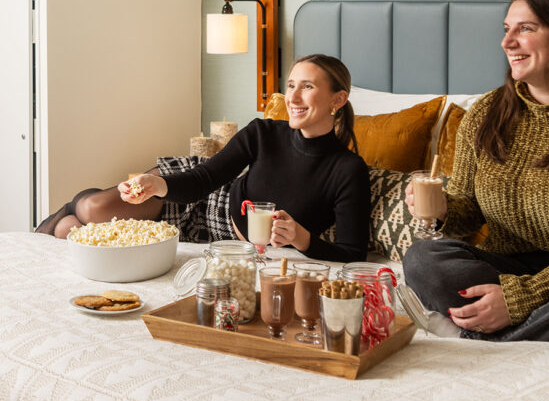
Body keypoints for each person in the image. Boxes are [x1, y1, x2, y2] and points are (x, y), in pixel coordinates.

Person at [37, 54, 371, 263]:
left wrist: (302, 238)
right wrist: (156, 183)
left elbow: (353, 254)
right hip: (200, 193)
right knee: (92, 209)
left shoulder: (347, 170)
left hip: (217, 235)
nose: (292, 97)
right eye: (291, 85)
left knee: (70, 231)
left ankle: (54, 234)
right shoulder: (263, 132)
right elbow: (203, 180)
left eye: (307, 87)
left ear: (338, 99)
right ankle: (42, 236)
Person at [400, 0, 549, 342]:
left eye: (526, 28)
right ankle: (528, 328)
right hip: (504, 265)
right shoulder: (487, 114)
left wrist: (522, 298)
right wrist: (443, 209)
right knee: (423, 259)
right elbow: (467, 211)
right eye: (506, 29)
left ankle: (495, 339)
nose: (508, 43)